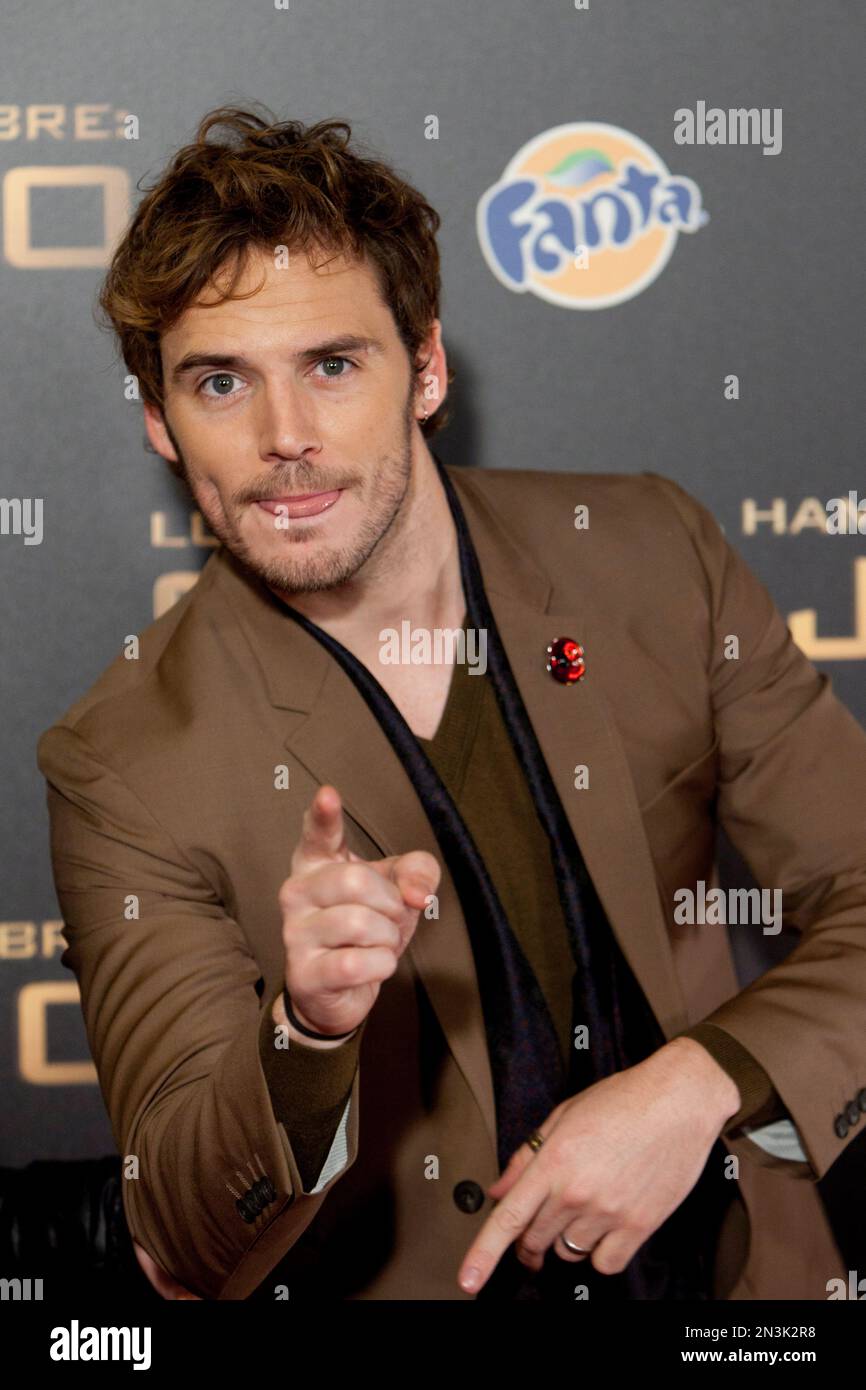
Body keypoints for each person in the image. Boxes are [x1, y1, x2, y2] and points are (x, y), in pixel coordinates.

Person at [37, 105, 863, 1301]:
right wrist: (306, 1033)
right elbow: (183, 1230)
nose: (285, 438)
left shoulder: (647, 556)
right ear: (163, 424)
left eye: (332, 364)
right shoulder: (120, 757)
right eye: (221, 383)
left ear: (424, 368)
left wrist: (699, 1082)